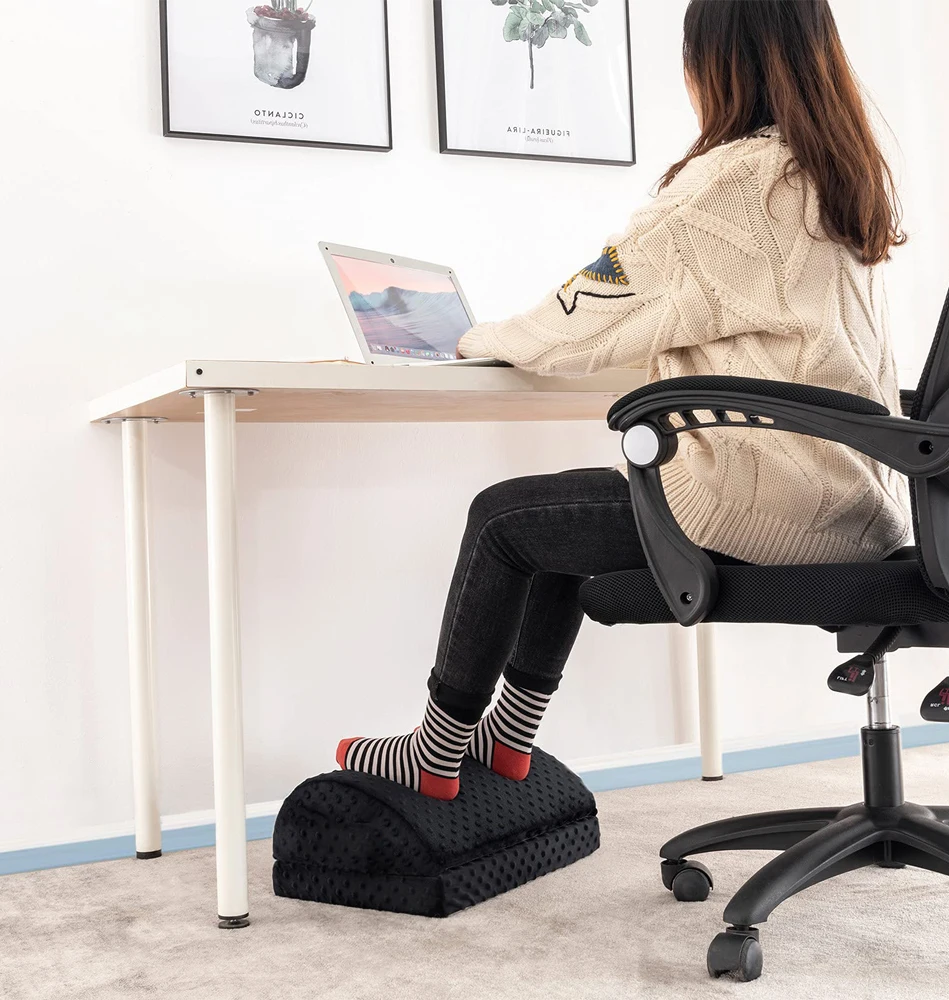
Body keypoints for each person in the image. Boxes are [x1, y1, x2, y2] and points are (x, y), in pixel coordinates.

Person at [337, 0, 910, 800]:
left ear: (716, 63)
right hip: (855, 508)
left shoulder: (741, 180)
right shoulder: (835, 180)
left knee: (503, 519)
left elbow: (593, 307)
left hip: (770, 509)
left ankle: (435, 753)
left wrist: (471, 337)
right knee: (558, 524)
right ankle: (507, 739)